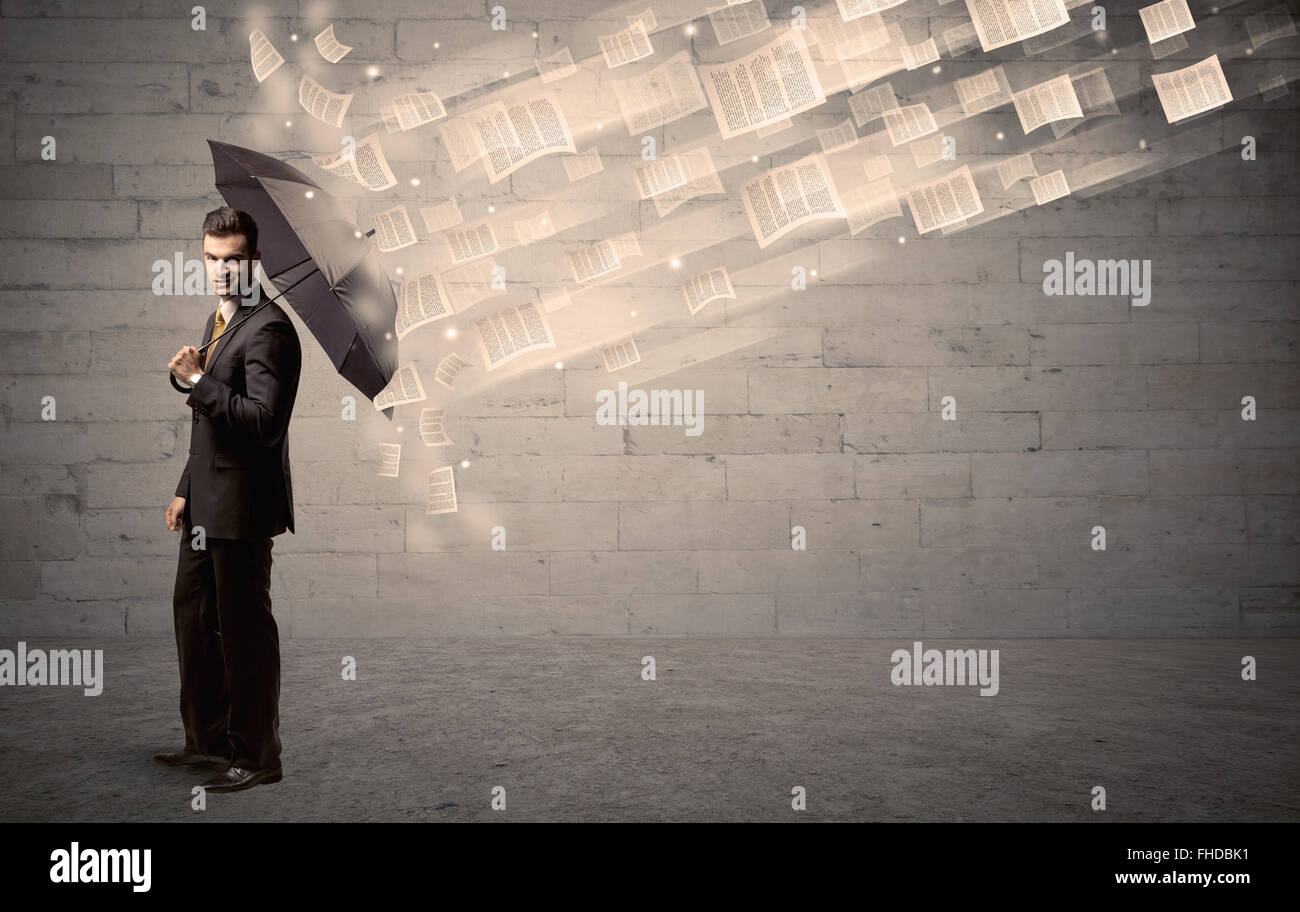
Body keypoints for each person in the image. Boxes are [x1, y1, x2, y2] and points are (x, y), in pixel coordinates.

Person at [160, 206, 302, 793]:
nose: (221, 271)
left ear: (255, 260)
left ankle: (258, 755)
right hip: (204, 501)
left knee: (243, 632)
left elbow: (263, 423)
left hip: (242, 508)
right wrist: (183, 488)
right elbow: (212, 411)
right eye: (212, 259)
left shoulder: (271, 328)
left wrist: (199, 383)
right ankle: (209, 744)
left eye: (233, 259)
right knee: (194, 619)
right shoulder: (221, 318)